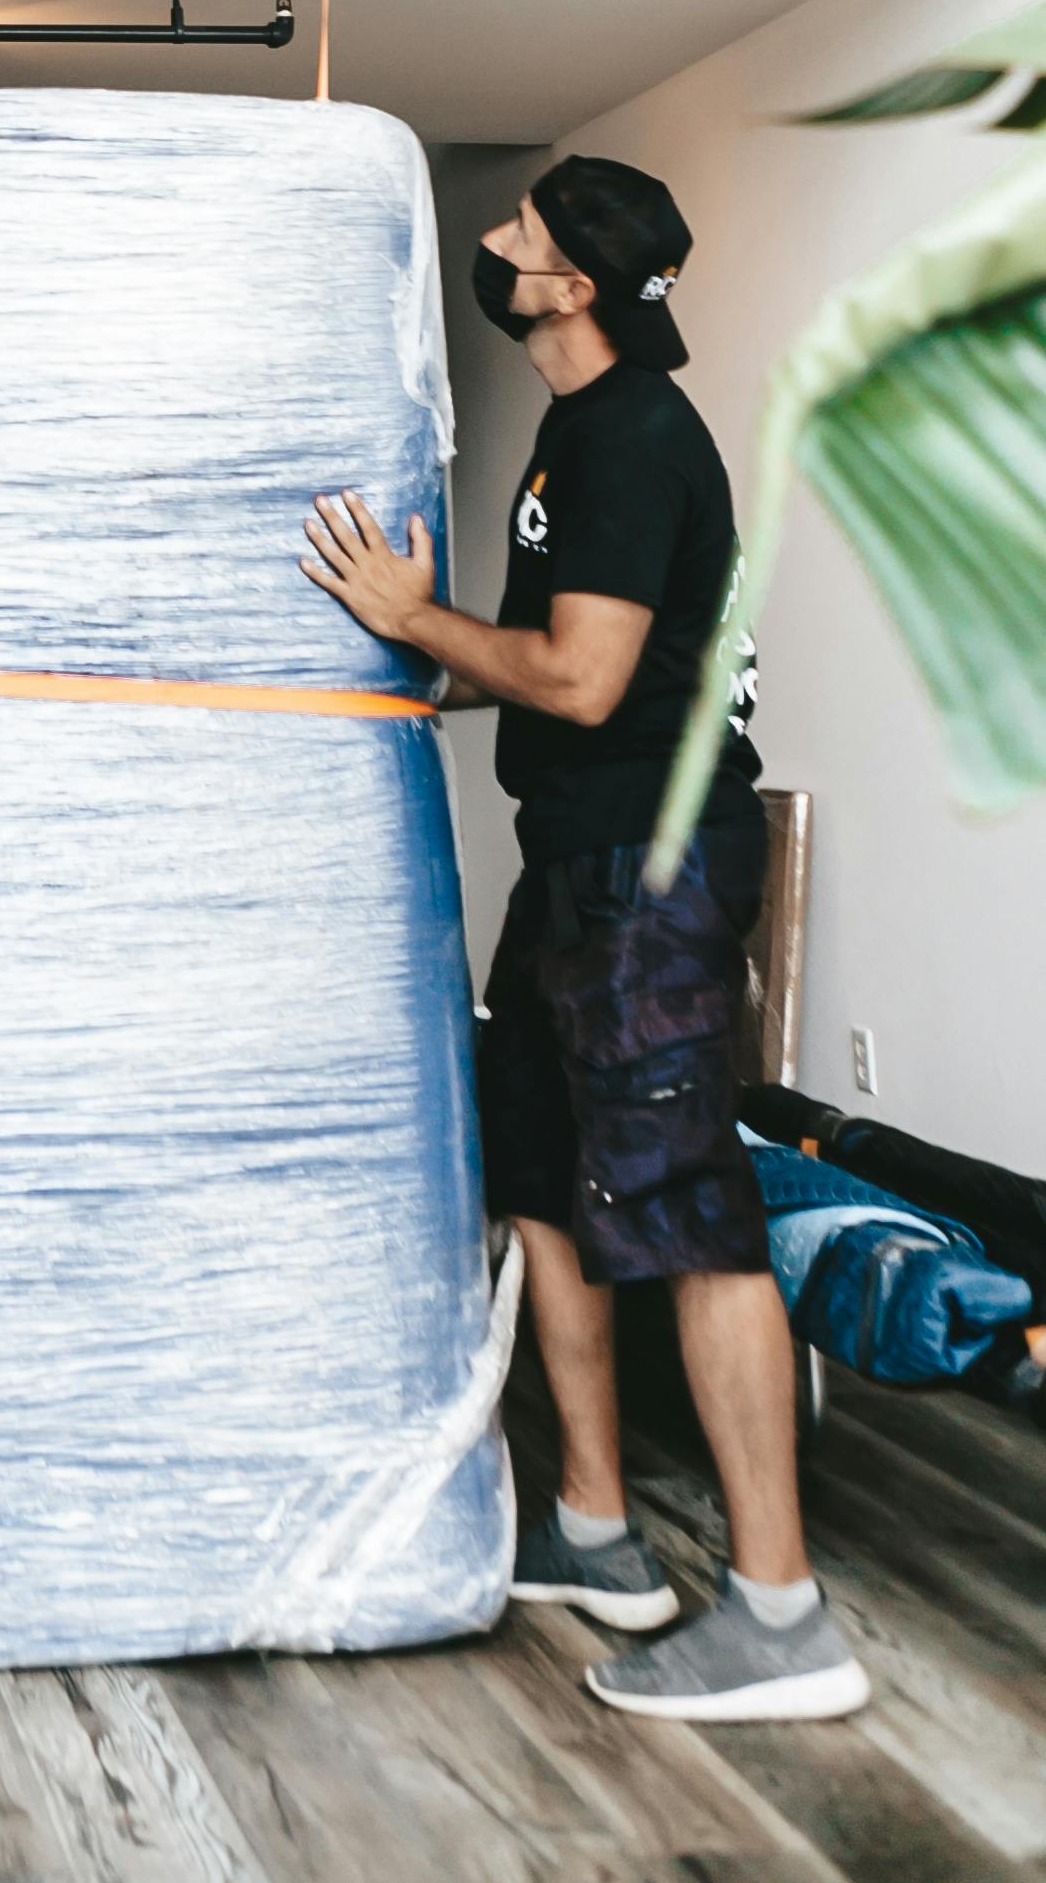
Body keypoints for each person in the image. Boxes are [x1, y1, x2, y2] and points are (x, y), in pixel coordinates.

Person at [299, 155, 869, 1727]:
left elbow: (590, 683)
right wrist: (405, 651)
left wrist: (419, 624)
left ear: (576, 289)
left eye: (521, 238)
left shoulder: (630, 440)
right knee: (544, 1185)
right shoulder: (578, 432)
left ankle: (780, 1615)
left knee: (688, 1218)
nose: (492, 246)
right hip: (580, 864)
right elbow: (544, 658)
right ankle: (601, 1534)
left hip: (654, 872)